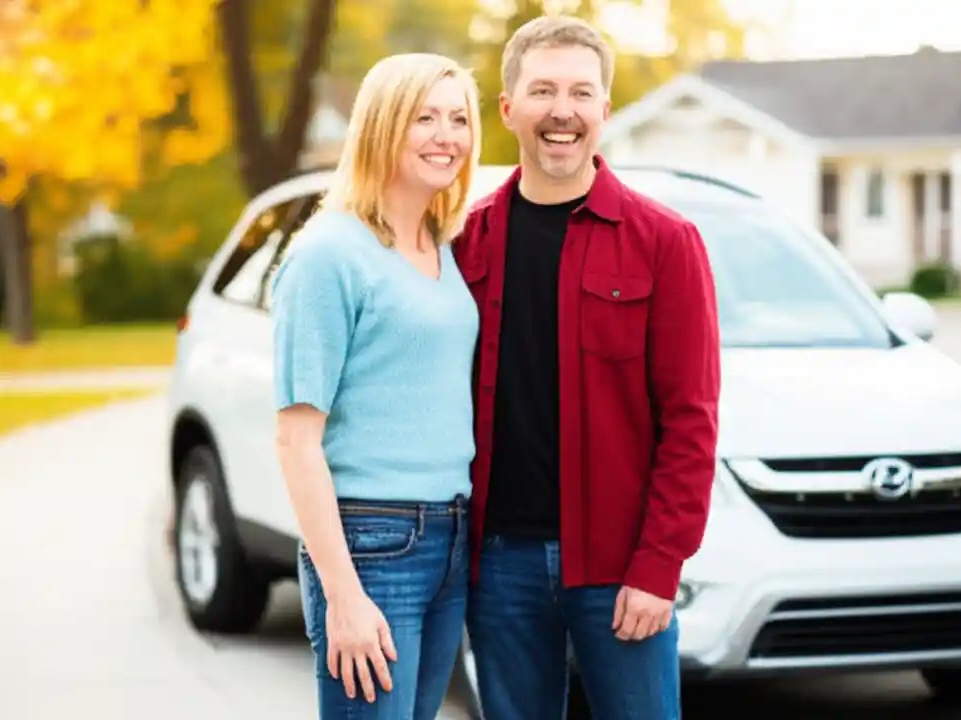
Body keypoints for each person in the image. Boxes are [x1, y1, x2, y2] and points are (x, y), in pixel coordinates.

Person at [453, 15, 722, 719]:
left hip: (620, 569)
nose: (562, 112)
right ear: (509, 108)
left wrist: (659, 567)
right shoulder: (466, 241)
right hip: (500, 567)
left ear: (605, 108)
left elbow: (691, 424)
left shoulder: (666, 243)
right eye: (542, 91)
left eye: (581, 92)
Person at [270, 52, 482, 719]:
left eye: (458, 119)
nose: (446, 136)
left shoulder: (440, 245)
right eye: (425, 117)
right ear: (383, 126)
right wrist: (343, 594)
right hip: (373, 541)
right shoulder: (329, 252)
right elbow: (296, 440)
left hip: (451, 532)